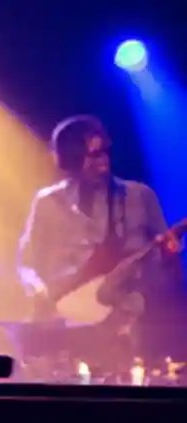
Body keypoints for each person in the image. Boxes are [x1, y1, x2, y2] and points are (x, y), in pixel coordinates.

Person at [16, 115, 177, 373]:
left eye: (104, 152)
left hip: (123, 324)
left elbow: (165, 267)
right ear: (69, 159)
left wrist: (169, 258)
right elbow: (26, 263)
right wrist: (39, 293)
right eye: (91, 156)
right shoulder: (47, 202)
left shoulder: (139, 196)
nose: (102, 163)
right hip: (63, 325)